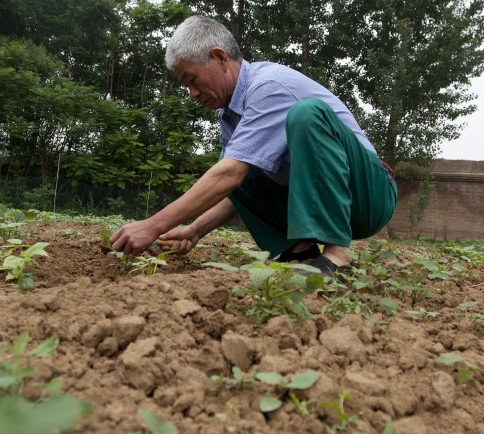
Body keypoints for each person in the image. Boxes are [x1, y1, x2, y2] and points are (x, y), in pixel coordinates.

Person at [110, 15, 397, 276]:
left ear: (220, 58)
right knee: (237, 161)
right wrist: (194, 230)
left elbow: (228, 175)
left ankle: (337, 255)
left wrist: (153, 225)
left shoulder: (268, 85)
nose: (192, 93)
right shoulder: (230, 117)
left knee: (307, 114)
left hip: (368, 195)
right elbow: (235, 185)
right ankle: (301, 254)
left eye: (192, 80)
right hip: (330, 199)